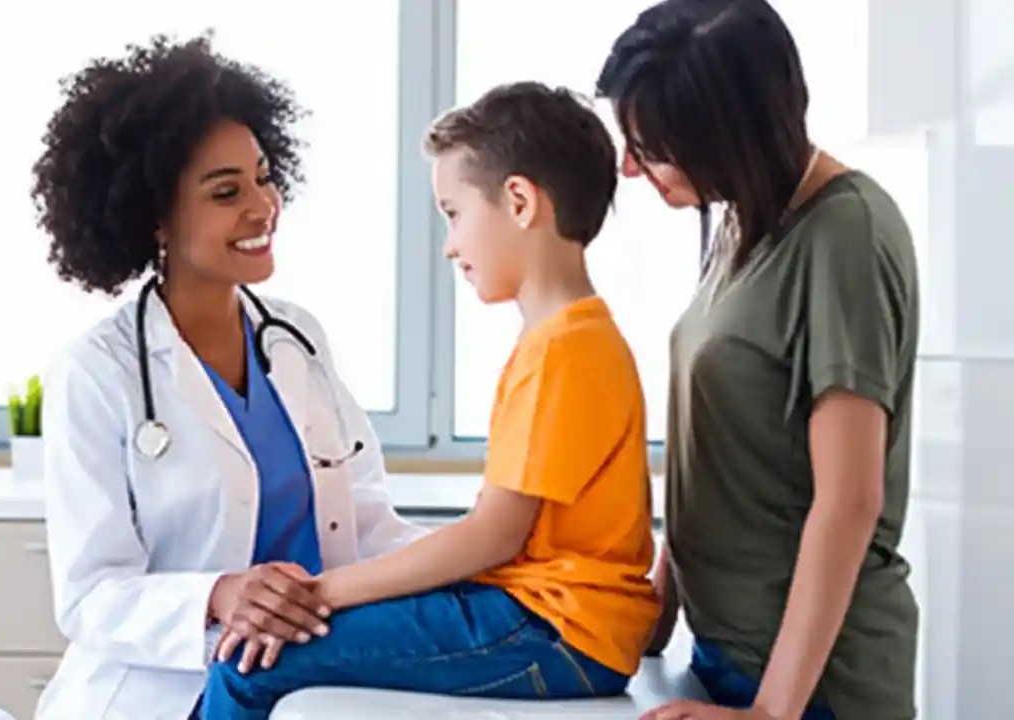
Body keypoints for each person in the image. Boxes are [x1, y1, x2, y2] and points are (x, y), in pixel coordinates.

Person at [200, 81, 660, 719]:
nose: (449, 244)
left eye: (453, 213)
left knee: (249, 663)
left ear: (520, 201)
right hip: (551, 621)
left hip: (554, 631)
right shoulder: (571, 339)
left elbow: (490, 538)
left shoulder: (563, 351)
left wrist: (322, 592)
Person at [30, 34, 425, 720]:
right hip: (161, 697)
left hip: (300, 690)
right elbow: (90, 595)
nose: (262, 206)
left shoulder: (297, 341)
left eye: (265, 176)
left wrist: (493, 552)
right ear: (154, 215)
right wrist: (220, 593)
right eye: (225, 192)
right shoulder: (97, 373)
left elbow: (364, 525)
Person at [596, 2, 920, 719]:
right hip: (731, 656)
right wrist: (658, 610)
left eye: (650, 148)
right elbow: (716, 455)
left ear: (728, 136)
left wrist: (769, 714)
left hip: (813, 688)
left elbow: (850, 499)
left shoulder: (845, 235)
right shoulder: (742, 220)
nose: (628, 167)